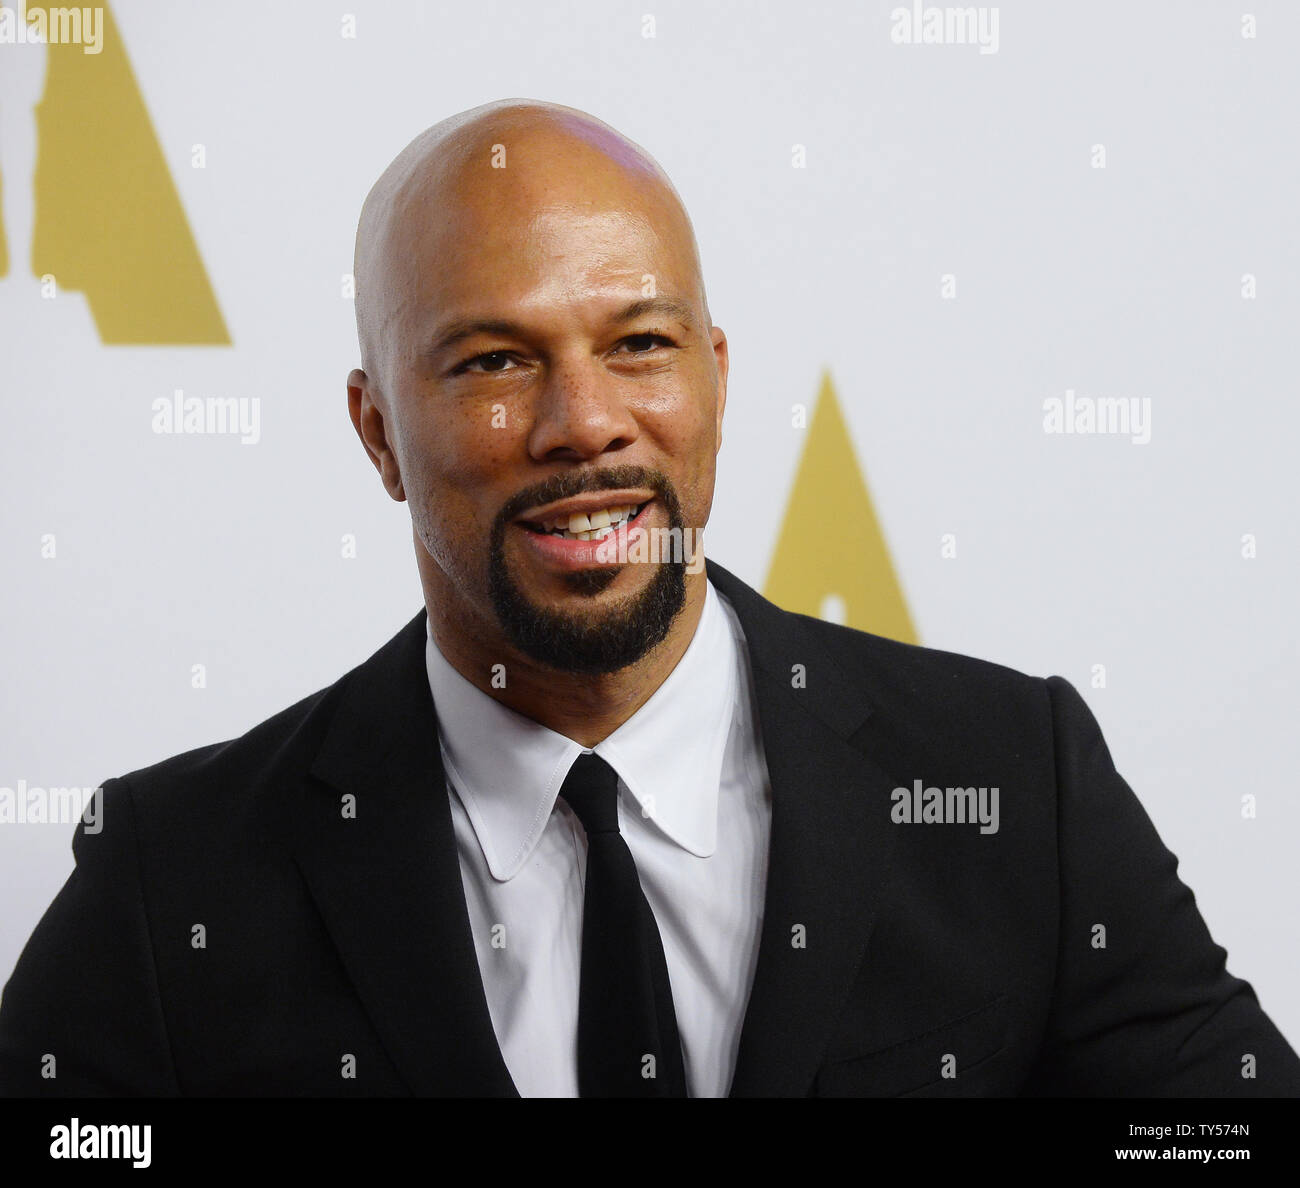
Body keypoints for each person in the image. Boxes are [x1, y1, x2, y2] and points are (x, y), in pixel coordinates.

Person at [2, 98, 1297, 1097]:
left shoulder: (1018, 786)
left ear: (717, 382)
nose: (586, 425)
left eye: (639, 345)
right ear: (378, 432)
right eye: (495, 360)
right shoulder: (170, 886)